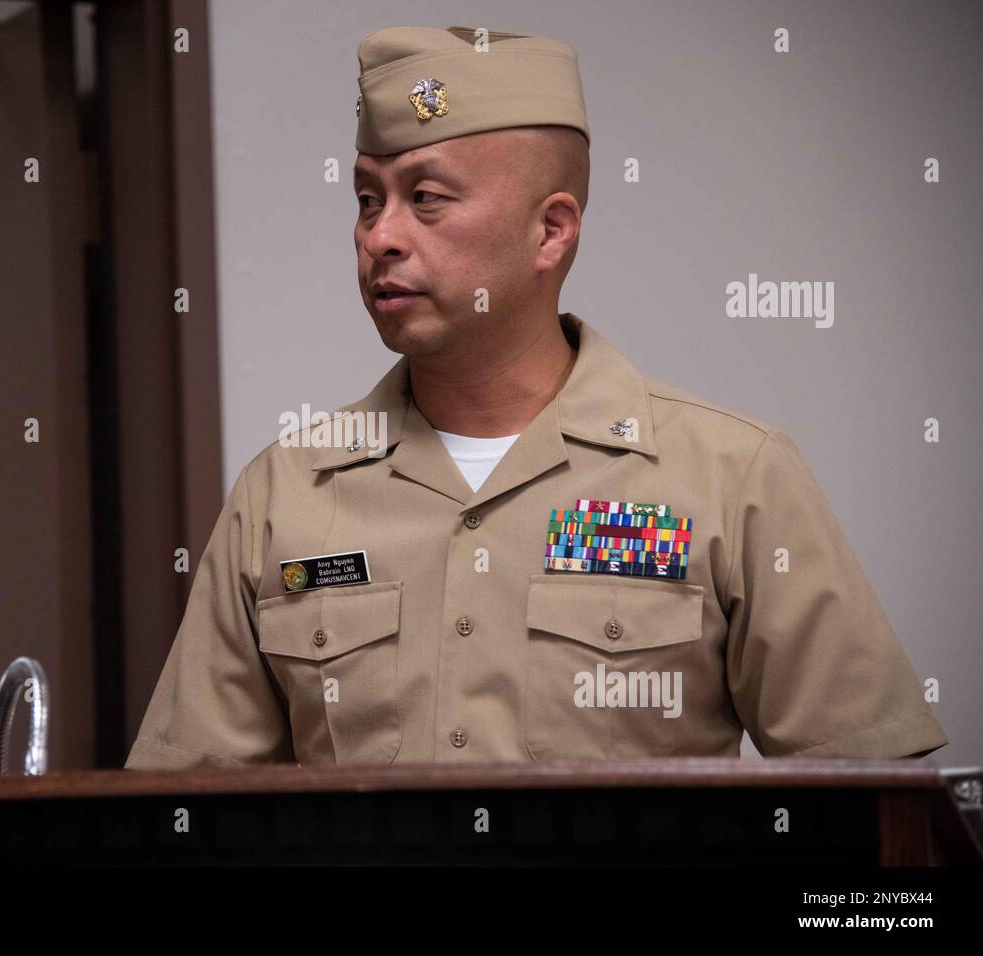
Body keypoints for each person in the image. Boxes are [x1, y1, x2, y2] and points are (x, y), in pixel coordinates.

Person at [124, 25, 947, 768]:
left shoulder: (731, 477)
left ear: (550, 231)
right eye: (367, 199)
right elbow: (187, 818)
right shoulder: (284, 495)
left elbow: (879, 821)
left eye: (426, 197)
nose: (379, 235)